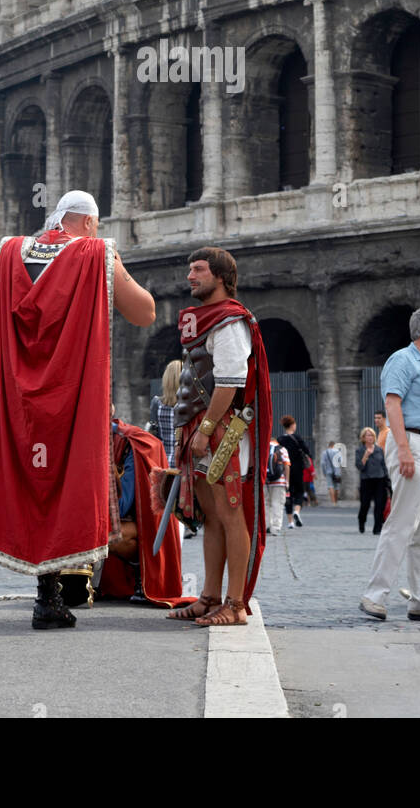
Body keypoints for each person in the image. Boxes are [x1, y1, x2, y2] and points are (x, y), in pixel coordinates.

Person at [0, 190, 155, 630]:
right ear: (87, 223)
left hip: (10, 401)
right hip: (64, 401)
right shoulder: (95, 252)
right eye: (96, 227)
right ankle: (47, 599)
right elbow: (145, 312)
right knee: (54, 488)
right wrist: (108, 262)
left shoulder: (8, 251)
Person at [167, 247, 272, 627]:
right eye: (189, 268)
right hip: (204, 427)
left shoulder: (229, 321)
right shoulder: (205, 319)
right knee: (211, 517)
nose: (190, 276)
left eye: (198, 269)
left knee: (231, 514)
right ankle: (210, 596)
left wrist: (207, 429)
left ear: (221, 277)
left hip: (224, 429)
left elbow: (231, 381)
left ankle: (236, 603)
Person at [359, 306, 420, 622]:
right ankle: (374, 596)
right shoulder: (402, 360)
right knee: (402, 522)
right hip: (412, 443)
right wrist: (402, 450)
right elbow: (392, 404)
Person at [99, 415, 184, 604]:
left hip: (131, 524)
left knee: (102, 534)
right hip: (109, 517)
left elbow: (121, 506)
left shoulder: (132, 445)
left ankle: (139, 571)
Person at [279, 415, 312, 528]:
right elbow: (307, 451)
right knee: (299, 492)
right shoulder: (297, 438)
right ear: (292, 425)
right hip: (298, 470)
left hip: (285, 470)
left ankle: (290, 522)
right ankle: (297, 511)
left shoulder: (280, 440)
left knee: (288, 495)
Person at [355, 427, 388, 534]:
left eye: (372, 435)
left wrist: (386, 477)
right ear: (363, 438)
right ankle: (361, 522)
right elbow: (359, 467)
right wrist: (365, 456)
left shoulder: (379, 450)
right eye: (367, 435)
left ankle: (377, 528)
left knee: (379, 505)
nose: (370, 437)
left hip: (380, 479)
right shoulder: (359, 450)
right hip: (366, 480)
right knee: (365, 505)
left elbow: (383, 465)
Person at [149, 360, 181, 466]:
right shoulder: (189, 405)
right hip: (183, 463)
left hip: (163, 462)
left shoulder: (156, 403)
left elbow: (154, 436)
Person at [265, 435, 291, 534]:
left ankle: (267, 525)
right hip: (279, 482)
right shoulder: (282, 449)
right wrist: (287, 481)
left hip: (265, 481)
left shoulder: (264, 449)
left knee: (266, 503)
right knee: (277, 504)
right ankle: (275, 528)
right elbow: (287, 465)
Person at [320, 440, 342, 505]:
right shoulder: (338, 452)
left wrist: (324, 472)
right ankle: (336, 501)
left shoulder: (324, 452)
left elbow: (322, 463)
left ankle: (333, 502)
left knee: (330, 486)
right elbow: (340, 462)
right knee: (337, 487)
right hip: (337, 472)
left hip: (328, 471)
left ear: (329, 445)